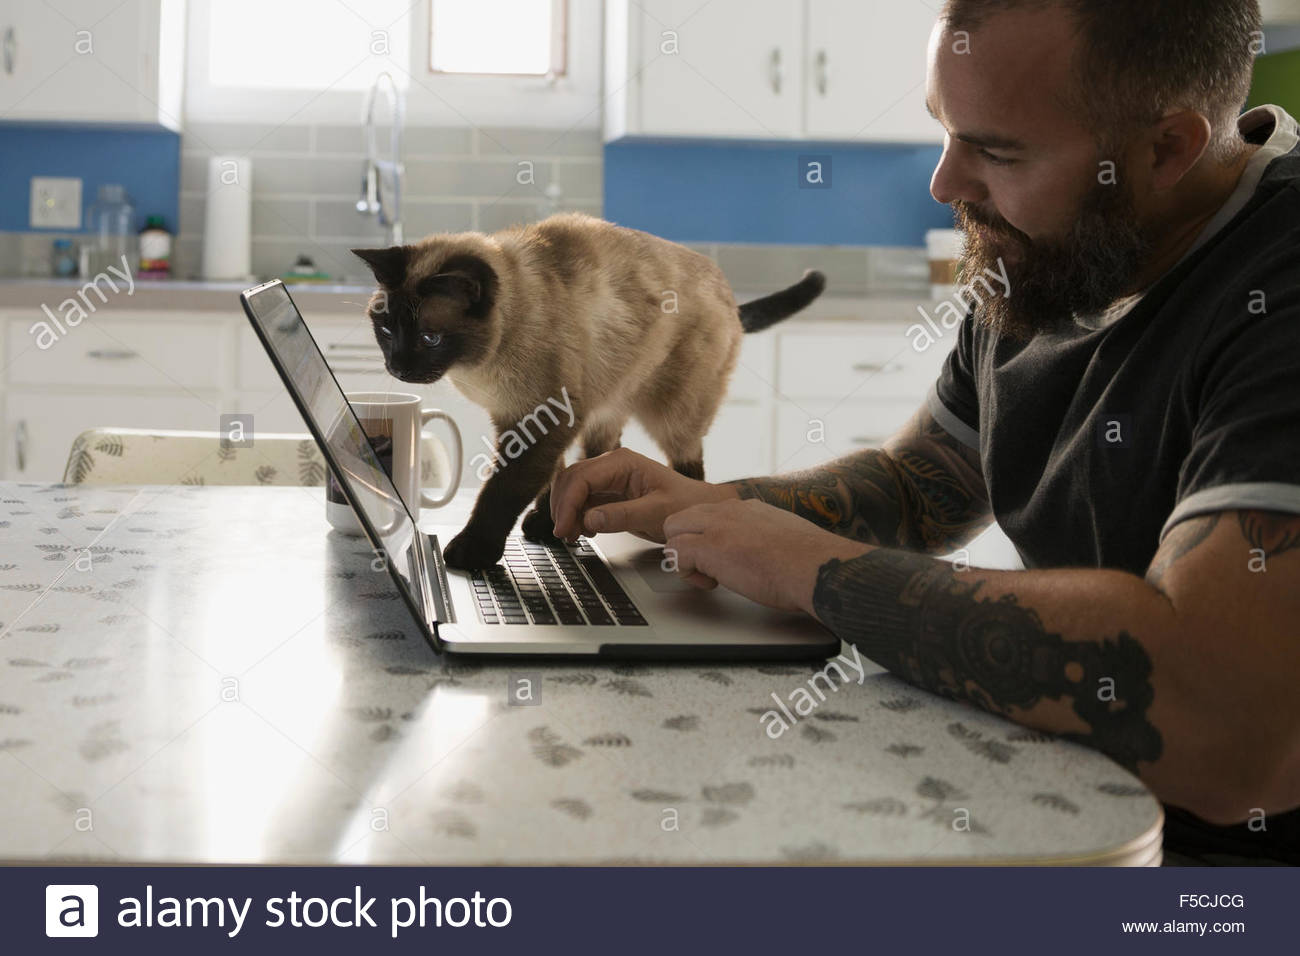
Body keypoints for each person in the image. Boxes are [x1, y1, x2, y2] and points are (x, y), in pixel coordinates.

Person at [548, 0, 1300, 865]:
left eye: (997, 151)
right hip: (1079, 800)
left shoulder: (1276, 285)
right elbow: (925, 482)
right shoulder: (1058, 250)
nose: (946, 185)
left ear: (1167, 147)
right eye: (946, 130)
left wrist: (811, 568)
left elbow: (1232, 729)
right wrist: (713, 509)